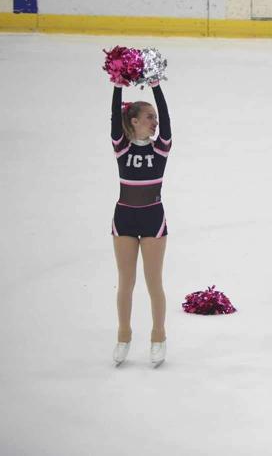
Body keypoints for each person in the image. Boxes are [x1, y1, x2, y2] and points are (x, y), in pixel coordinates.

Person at [110, 83, 171, 367]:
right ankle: (124, 335)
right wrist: (117, 86)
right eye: (149, 117)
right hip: (124, 218)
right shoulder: (121, 148)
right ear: (133, 122)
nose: (155, 122)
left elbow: (168, 123)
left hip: (152, 219)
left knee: (153, 281)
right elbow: (114, 119)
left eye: (155, 118)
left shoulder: (160, 150)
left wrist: (157, 87)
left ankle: (158, 336)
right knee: (126, 282)